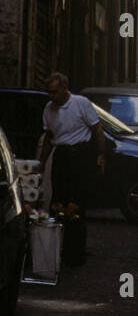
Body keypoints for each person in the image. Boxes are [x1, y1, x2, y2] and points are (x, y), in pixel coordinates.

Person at [38, 72, 106, 267]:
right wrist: (41, 162)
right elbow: (49, 138)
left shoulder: (81, 103)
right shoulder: (49, 109)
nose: (51, 96)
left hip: (80, 155)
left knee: (76, 204)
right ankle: (56, 249)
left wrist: (100, 155)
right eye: (49, 92)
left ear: (64, 89)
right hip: (62, 155)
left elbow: (97, 130)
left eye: (54, 92)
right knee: (58, 202)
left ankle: (76, 253)